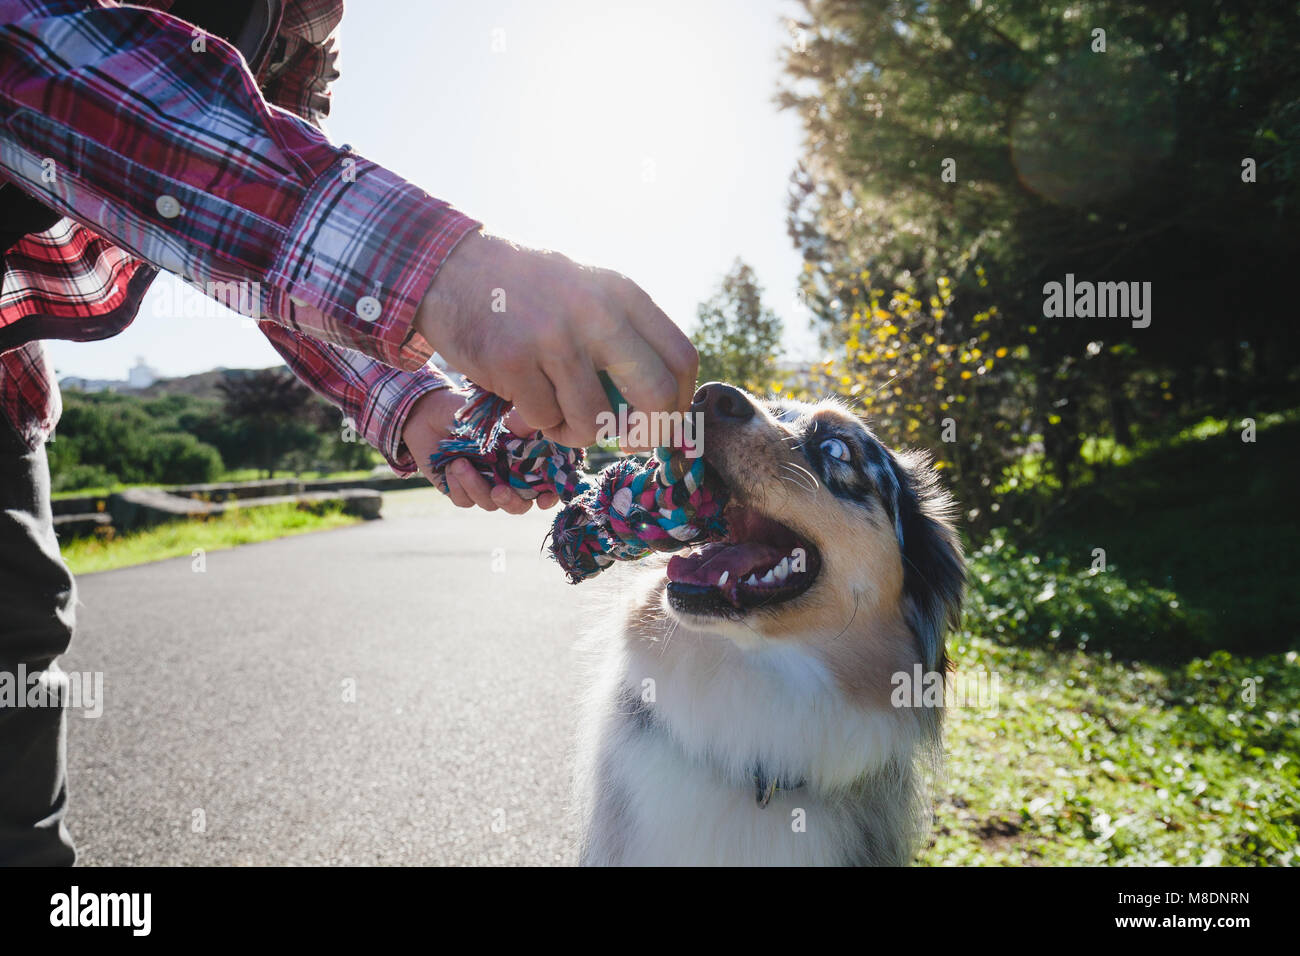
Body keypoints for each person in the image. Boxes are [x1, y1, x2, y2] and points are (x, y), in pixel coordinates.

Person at [0, 0, 697, 865]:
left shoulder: (300, 26)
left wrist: (414, 403)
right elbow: (34, 46)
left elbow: (255, 217)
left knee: (19, 642)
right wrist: (445, 272)